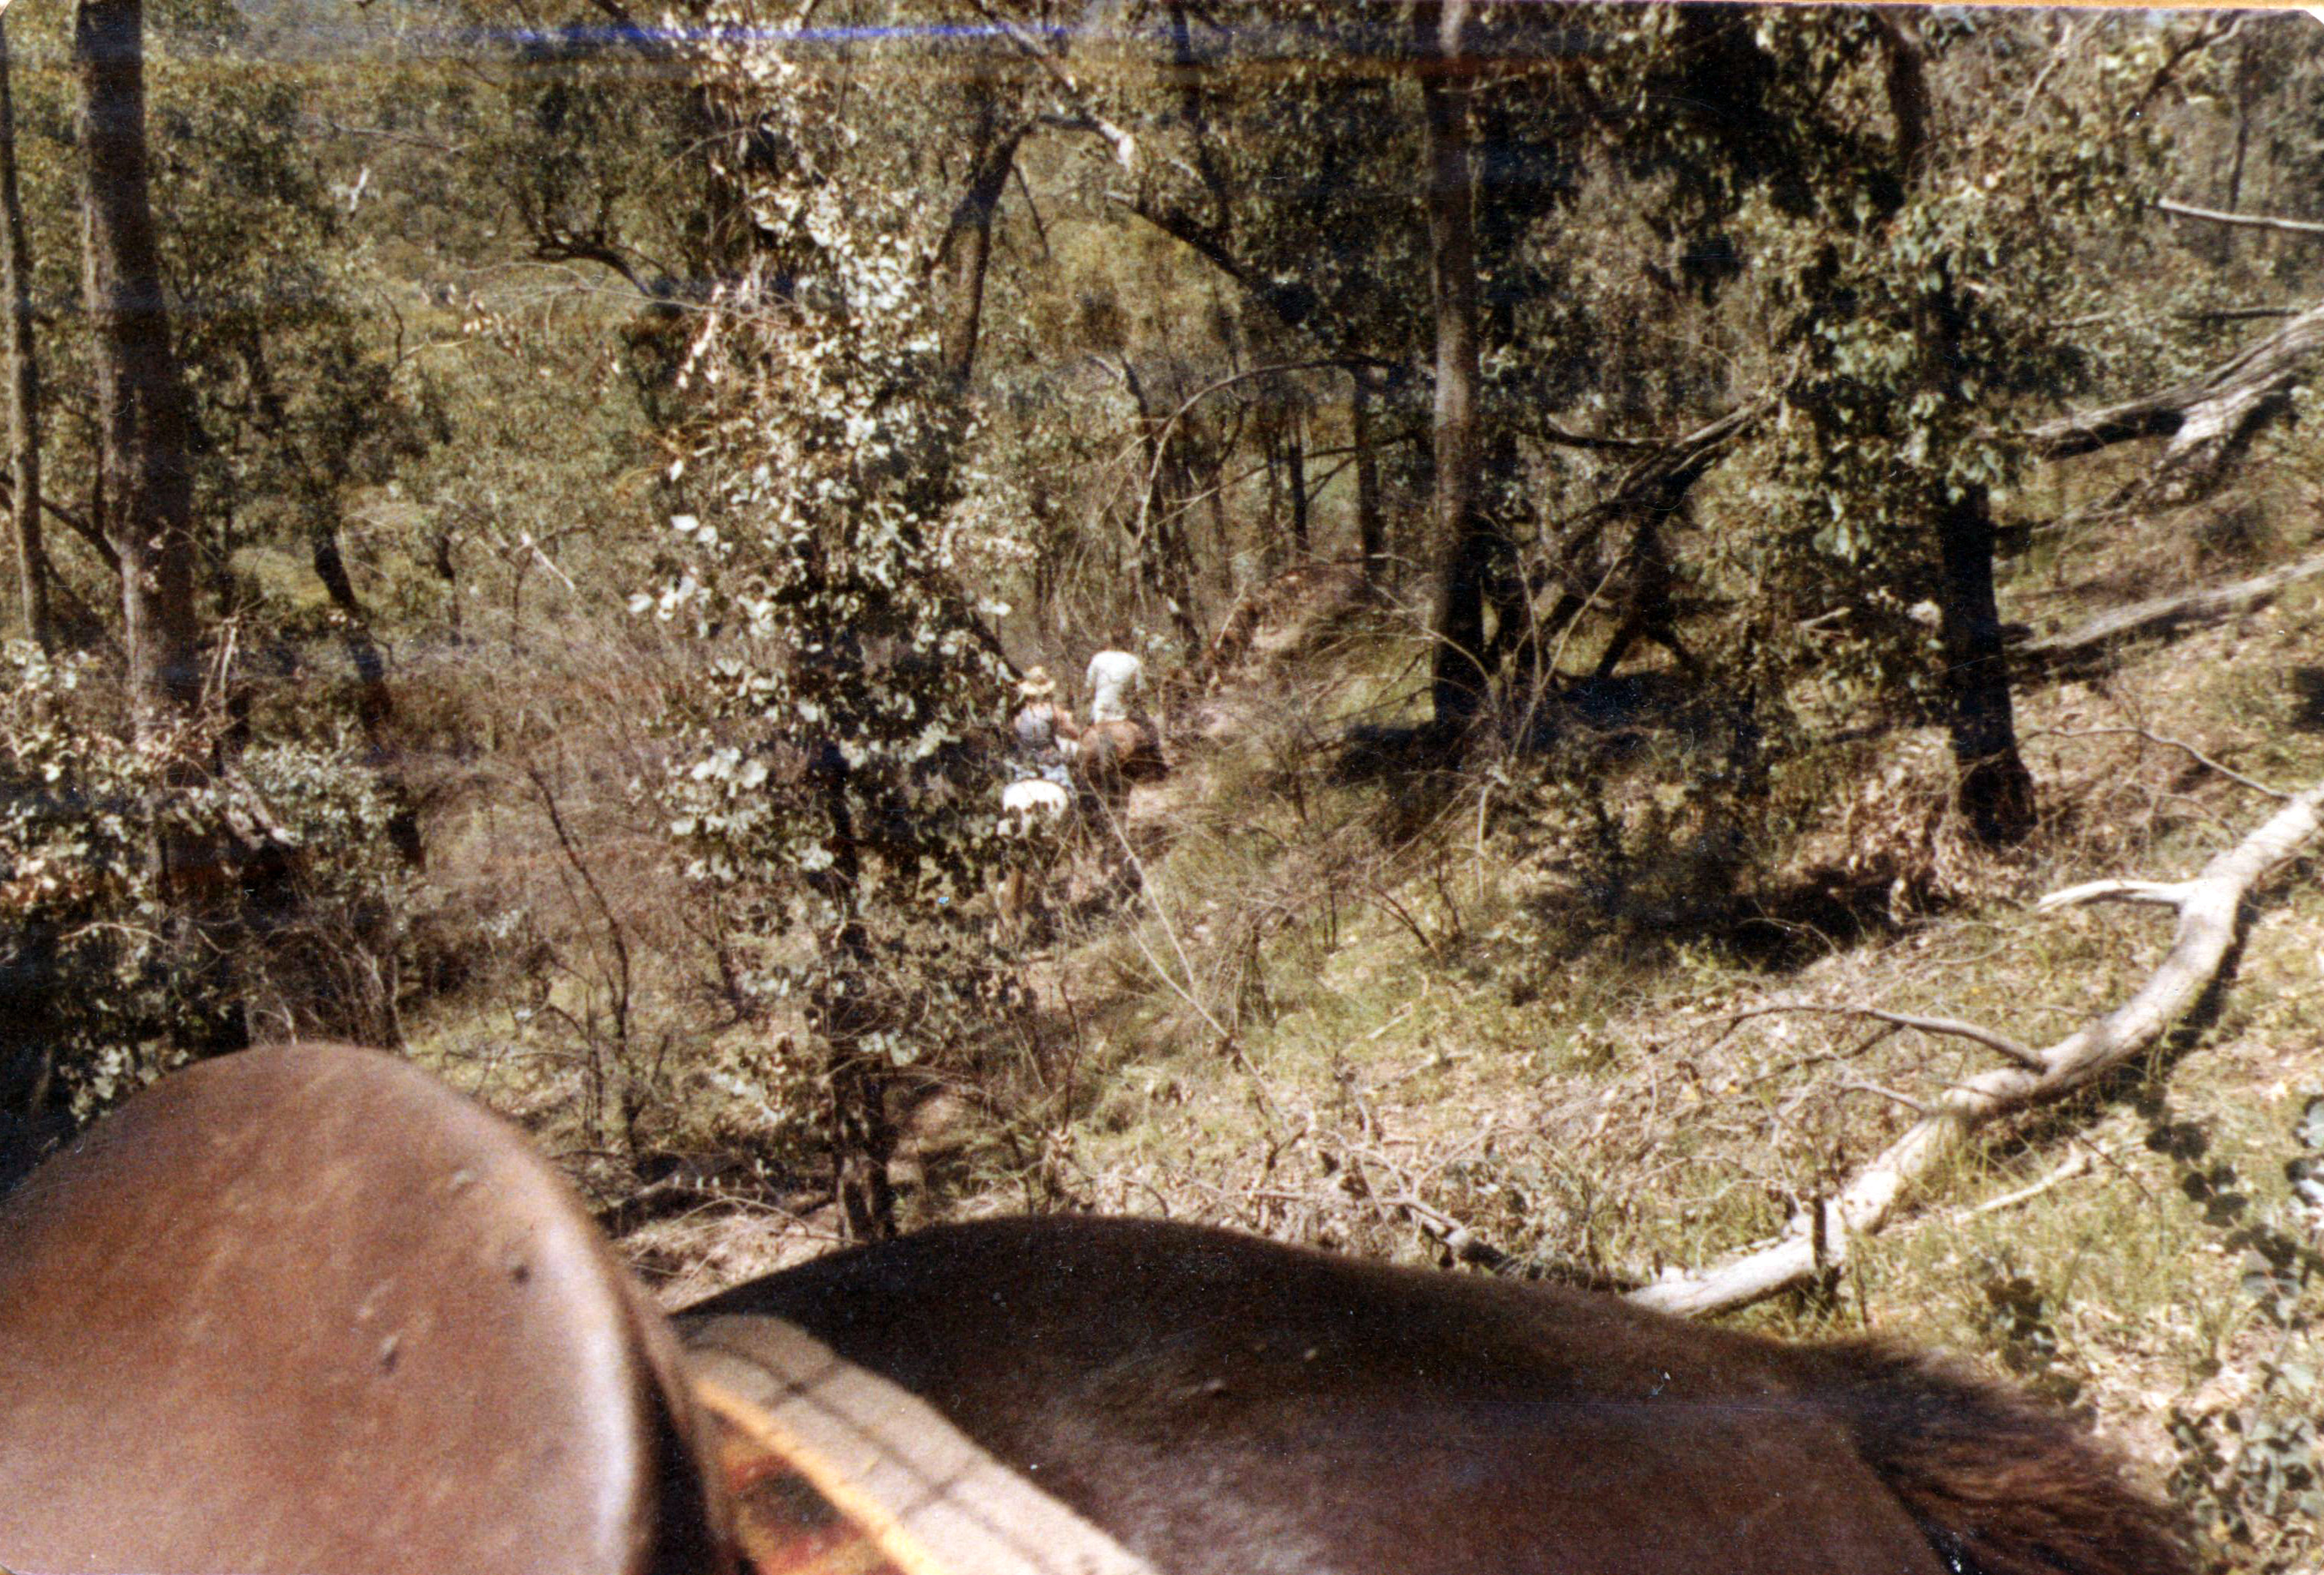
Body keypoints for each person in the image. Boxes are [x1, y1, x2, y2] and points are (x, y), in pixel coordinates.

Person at [1010, 667, 1076, 787]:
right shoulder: (1053, 710)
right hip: (1049, 756)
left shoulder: (1020, 715)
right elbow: (1072, 730)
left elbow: (1017, 734)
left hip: (1027, 759)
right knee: (1069, 789)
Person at [1084, 646, 1143, 724]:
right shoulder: (1133, 661)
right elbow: (1141, 690)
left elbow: (1089, 686)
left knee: (1085, 728)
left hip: (1101, 708)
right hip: (1123, 711)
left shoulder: (1098, 658)